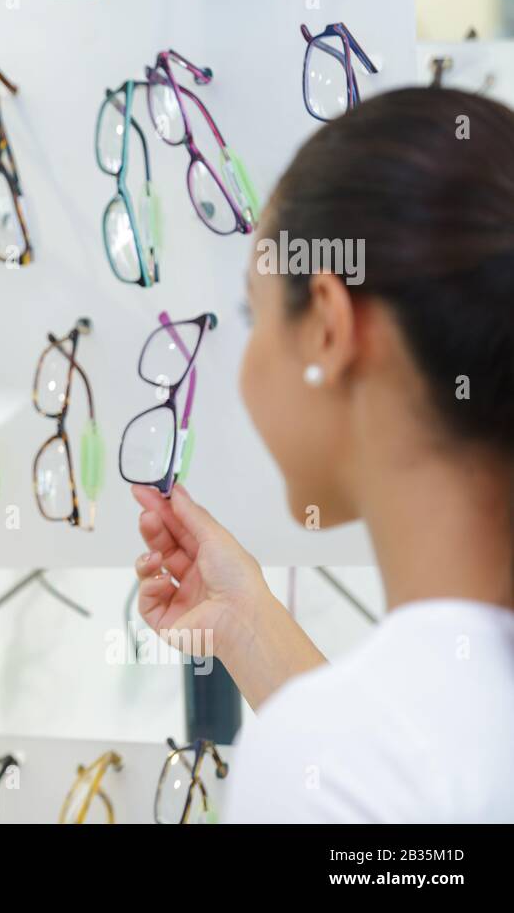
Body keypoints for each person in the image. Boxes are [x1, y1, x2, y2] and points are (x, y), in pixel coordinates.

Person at [132, 87, 514, 822]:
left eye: (254, 311)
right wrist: (247, 626)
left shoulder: (333, 760)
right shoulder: (376, 747)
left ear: (329, 331)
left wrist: (313, 745)